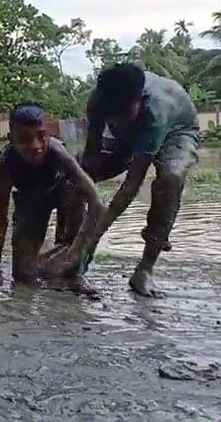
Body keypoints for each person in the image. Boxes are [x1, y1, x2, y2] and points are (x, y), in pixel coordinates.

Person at [80, 63, 200, 297]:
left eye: (124, 113)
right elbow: (91, 156)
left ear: (141, 99)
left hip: (177, 131)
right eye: (113, 114)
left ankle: (145, 269)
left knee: (171, 178)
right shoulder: (98, 100)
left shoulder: (155, 110)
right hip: (130, 134)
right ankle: (69, 249)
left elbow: (131, 186)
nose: (118, 119)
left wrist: (92, 240)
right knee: (73, 175)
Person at [0, 102, 105, 291]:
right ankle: (45, 258)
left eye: (41, 136)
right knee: (23, 276)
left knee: (75, 192)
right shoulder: (6, 165)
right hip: (30, 199)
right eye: (25, 139)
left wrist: (80, 248)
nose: (36, 146)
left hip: (64, 191)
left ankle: (74, 271)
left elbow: (97, 203)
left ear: (48, 134)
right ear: (11, 139)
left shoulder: (59, 153)